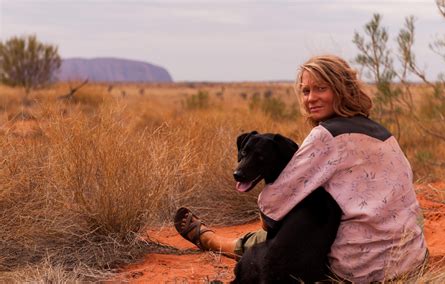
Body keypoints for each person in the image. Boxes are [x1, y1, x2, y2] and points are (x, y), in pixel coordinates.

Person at [174, 54, 428, 283]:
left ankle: (217, 243)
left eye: (321, 88)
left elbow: (273, 207)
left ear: (341, 89)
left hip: (359, 267)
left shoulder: (326, 135)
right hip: (410, 258)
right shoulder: (383, 133)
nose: (311, 98)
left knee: (298, 225)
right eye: (305, 91)